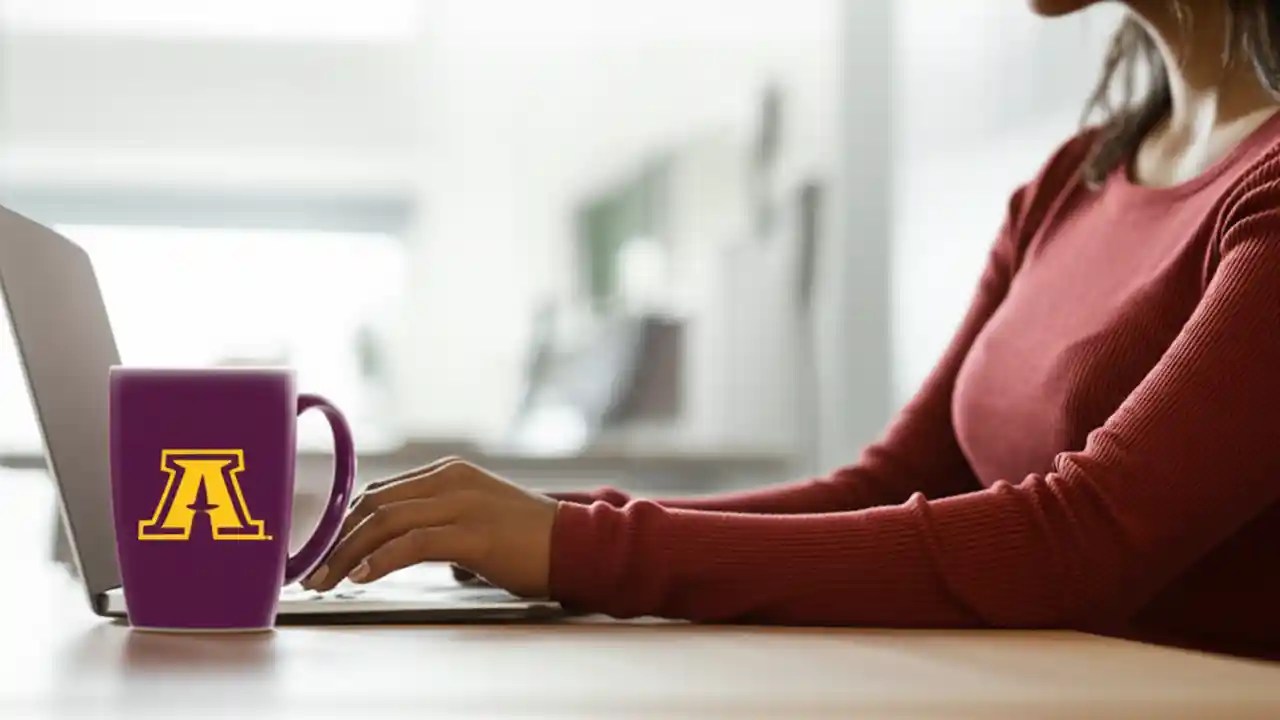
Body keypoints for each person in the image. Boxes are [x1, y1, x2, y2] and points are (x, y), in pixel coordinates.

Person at [303, 0, 1280, 656]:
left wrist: (575, 545)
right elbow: (890, 485)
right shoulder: (1070, 181)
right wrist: (543, 524)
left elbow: (1075, 543)